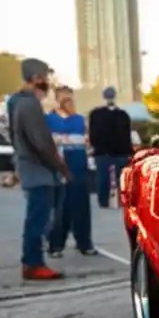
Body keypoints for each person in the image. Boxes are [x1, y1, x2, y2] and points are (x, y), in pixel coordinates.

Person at [8, 58, 70, 280]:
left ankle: (33, 261)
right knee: (39, 218)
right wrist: (60, 166)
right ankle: (33, 263)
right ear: (36, 78)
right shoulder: (29, 104)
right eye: (45, 76)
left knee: (39, 217)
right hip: (39, 170)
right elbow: (41, 142)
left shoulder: (17, 103)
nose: (48, 81)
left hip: (31, 167)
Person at [47, 87, 97, 257]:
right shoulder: (48, 120)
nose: (68, 102)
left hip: (79, 170)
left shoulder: (81, 120)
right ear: (57, 100)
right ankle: (55, 245)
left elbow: (90, 144)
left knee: (82, 209)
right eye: (64, 99)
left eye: (70, 98)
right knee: (60, 210)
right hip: (59, 171)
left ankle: (84, 243)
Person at [88, 85, 132, 208]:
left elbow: (92, 133)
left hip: (105, 151)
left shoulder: (96, 114)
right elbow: (126, 135)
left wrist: (95, 146)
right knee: (118, 179)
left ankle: (104, 201)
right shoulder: (122, 115)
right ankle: (118, 201)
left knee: (104, 178)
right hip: (118, 151)